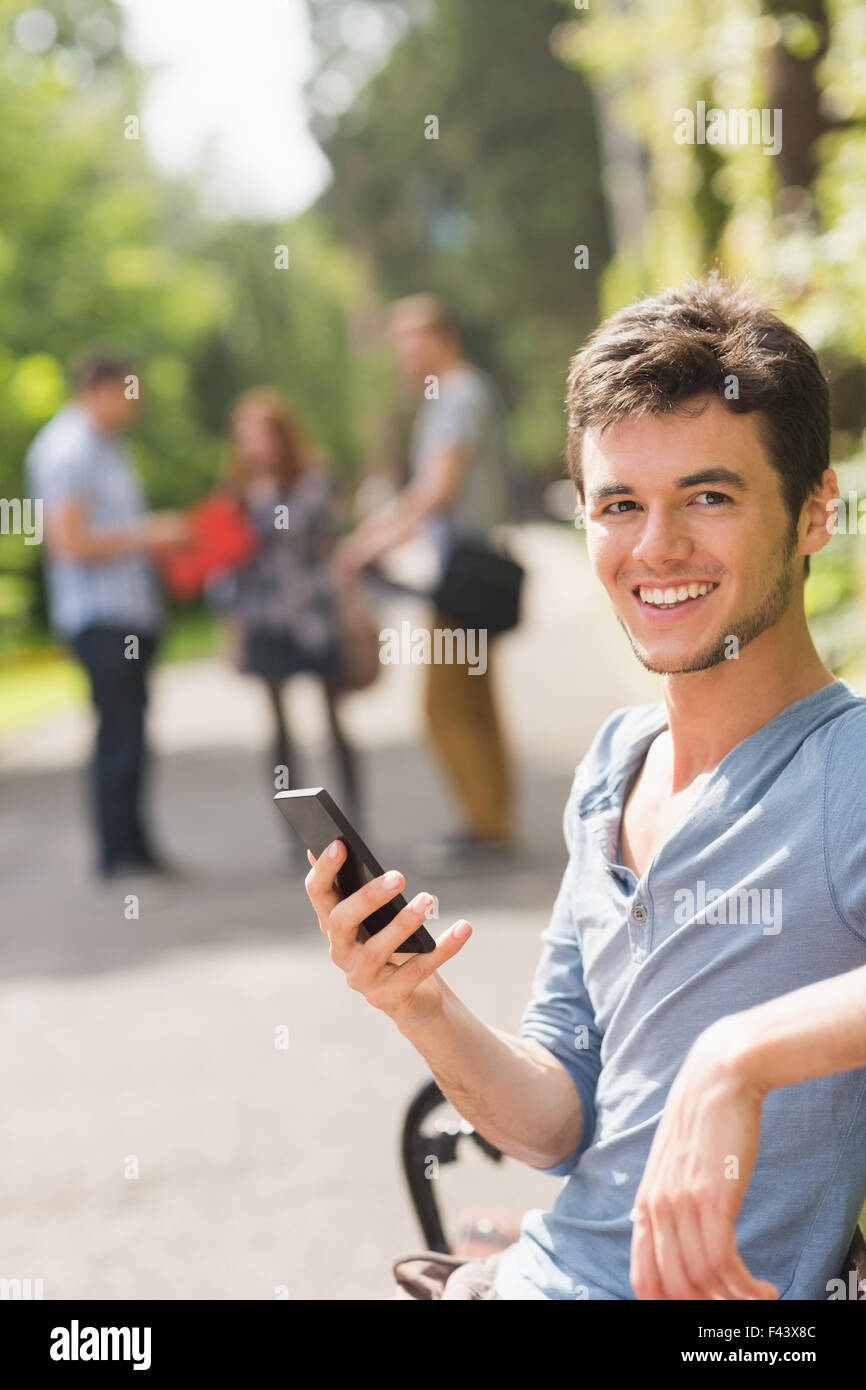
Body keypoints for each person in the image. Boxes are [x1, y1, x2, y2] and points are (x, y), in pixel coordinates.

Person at [306, 273, 866, 1300]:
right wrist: (418, 1002)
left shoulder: (845, 767)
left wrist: (737, 1055)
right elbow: (555, 1123)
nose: (655, 548)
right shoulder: (613, 764)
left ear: (813, 511)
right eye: (618, 504)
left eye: (708, 495)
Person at [337, 294, 514, 873]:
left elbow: (437, 490)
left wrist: (369, 542)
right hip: (464, 568)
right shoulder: (450, 396)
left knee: (445, 707)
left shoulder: (458, 394)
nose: (404, 356)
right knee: (474, 701)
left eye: (412, 341)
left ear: (443, 336)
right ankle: (492, 821)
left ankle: (484, 828)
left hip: (466, 572)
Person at [26, 352, 190, 878]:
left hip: (130, 613)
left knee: (133, 732)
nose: (134, 407)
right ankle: (118, 855)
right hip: (101, 617)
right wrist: (150, 533)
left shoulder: (109, 449)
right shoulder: (68, 449)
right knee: (118, 733)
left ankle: (136, 847)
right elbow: (69, 543)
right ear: (101, 389)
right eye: (128, 393)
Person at [219, 388, 360, 855]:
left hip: (314, 616)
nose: (253, 445)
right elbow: (228, 560)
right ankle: (296, 833)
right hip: (265, 619)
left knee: (334, 718)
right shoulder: (239, 488)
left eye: (261, 434)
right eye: (245, 437)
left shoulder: (312, 477)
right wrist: (232, 629)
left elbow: (309, 529)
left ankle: (352, 822)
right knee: (279, 730)